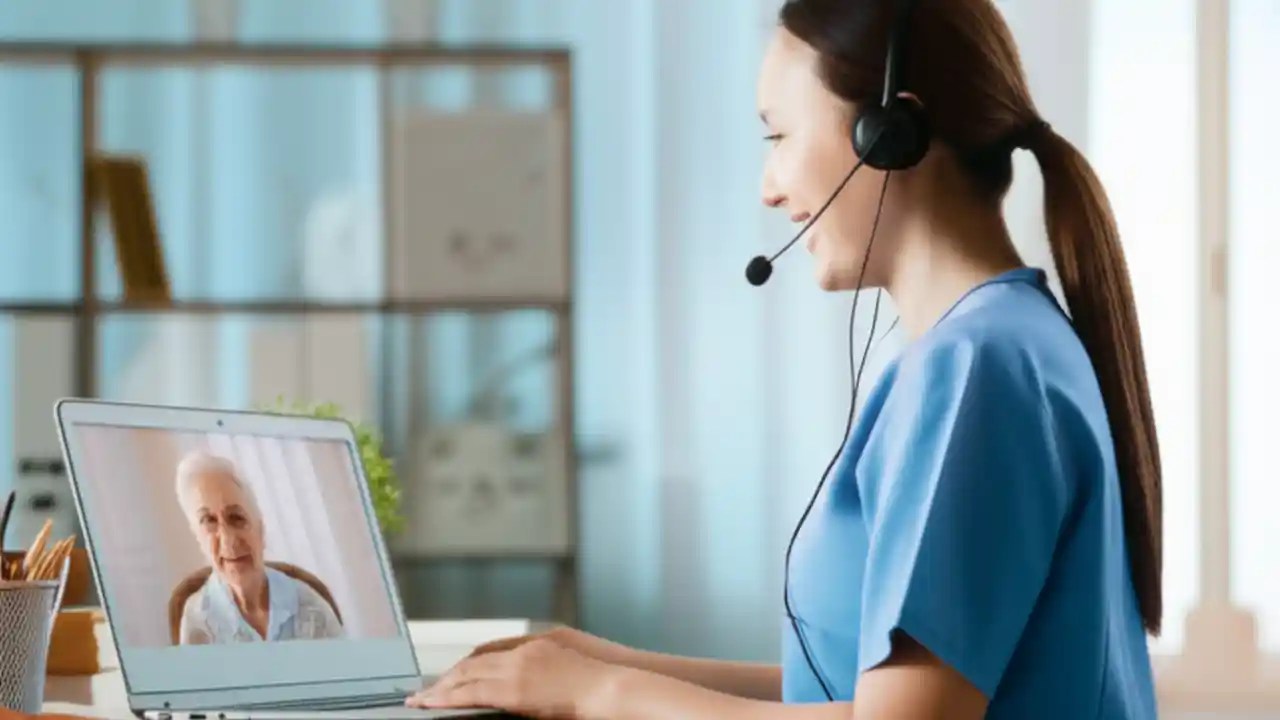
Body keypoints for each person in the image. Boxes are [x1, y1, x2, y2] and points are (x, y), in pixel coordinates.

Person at [406, 0, 1160, 717]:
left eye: (779, 137)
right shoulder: (988, 349)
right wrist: (599, 665)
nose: (769, 189)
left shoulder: (980, 369)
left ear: (891, 132)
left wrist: (600, 697)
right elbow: (853, 693)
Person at [173, 450, 345, 644]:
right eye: (209, 521)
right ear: (197, 536)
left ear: (261, 529)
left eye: (237, 518)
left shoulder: (311, 608)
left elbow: (349, 672)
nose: (228, 540)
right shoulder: (197, 619)